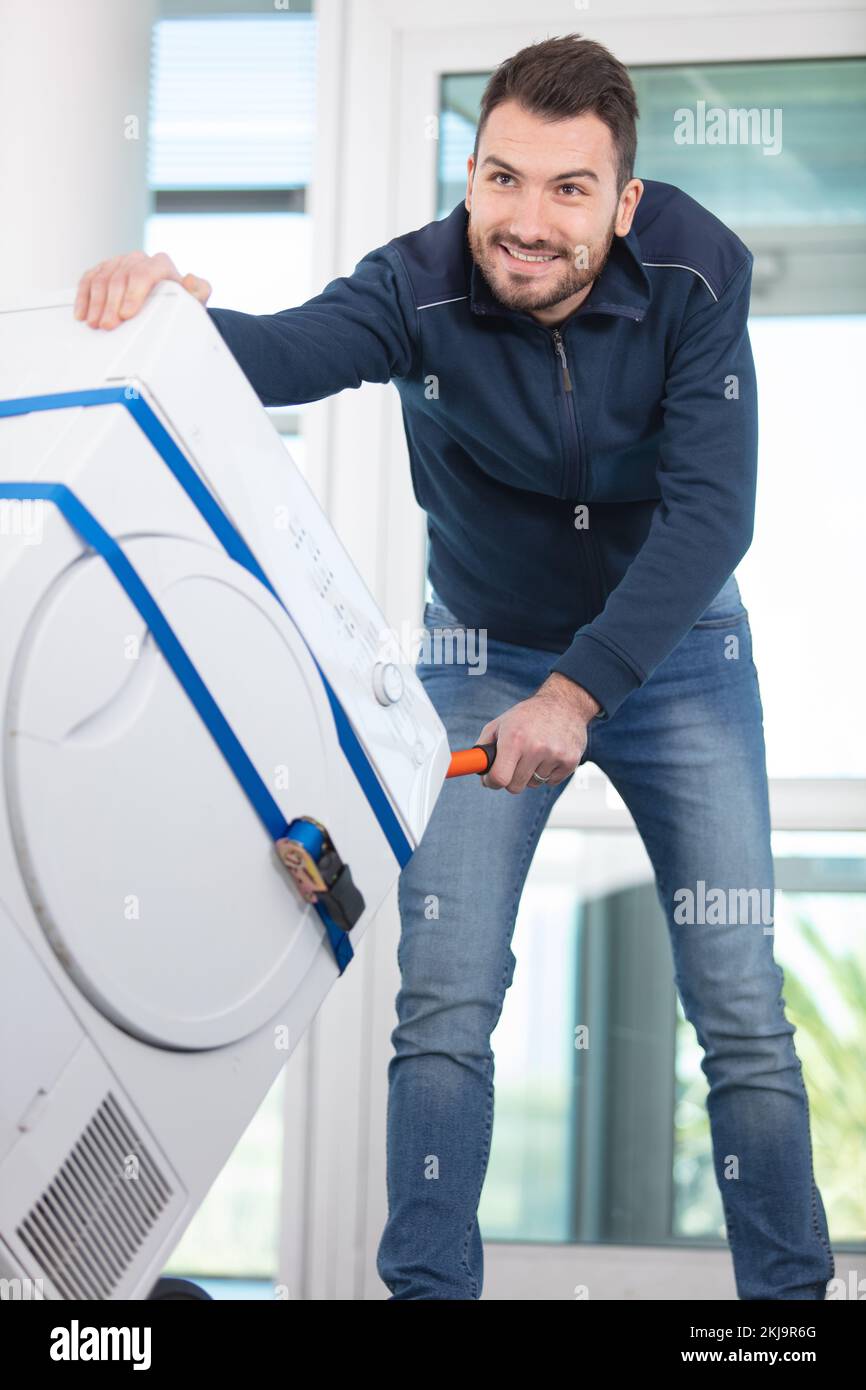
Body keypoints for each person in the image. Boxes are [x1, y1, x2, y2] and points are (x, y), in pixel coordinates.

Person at [74, 32, 834, 1303]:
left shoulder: (698, 271)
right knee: (444, 995)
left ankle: (787, 1315)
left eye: (567, 188)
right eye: (500, 179)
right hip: (483, 650)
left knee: (739, 1004)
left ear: (624, 200)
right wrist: (172, 312)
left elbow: (711, 514)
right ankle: (428, 1295)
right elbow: (280, 353)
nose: (525, 222)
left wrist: (579, 690)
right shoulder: (415, 287)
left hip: (678, 650)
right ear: (470, 173)